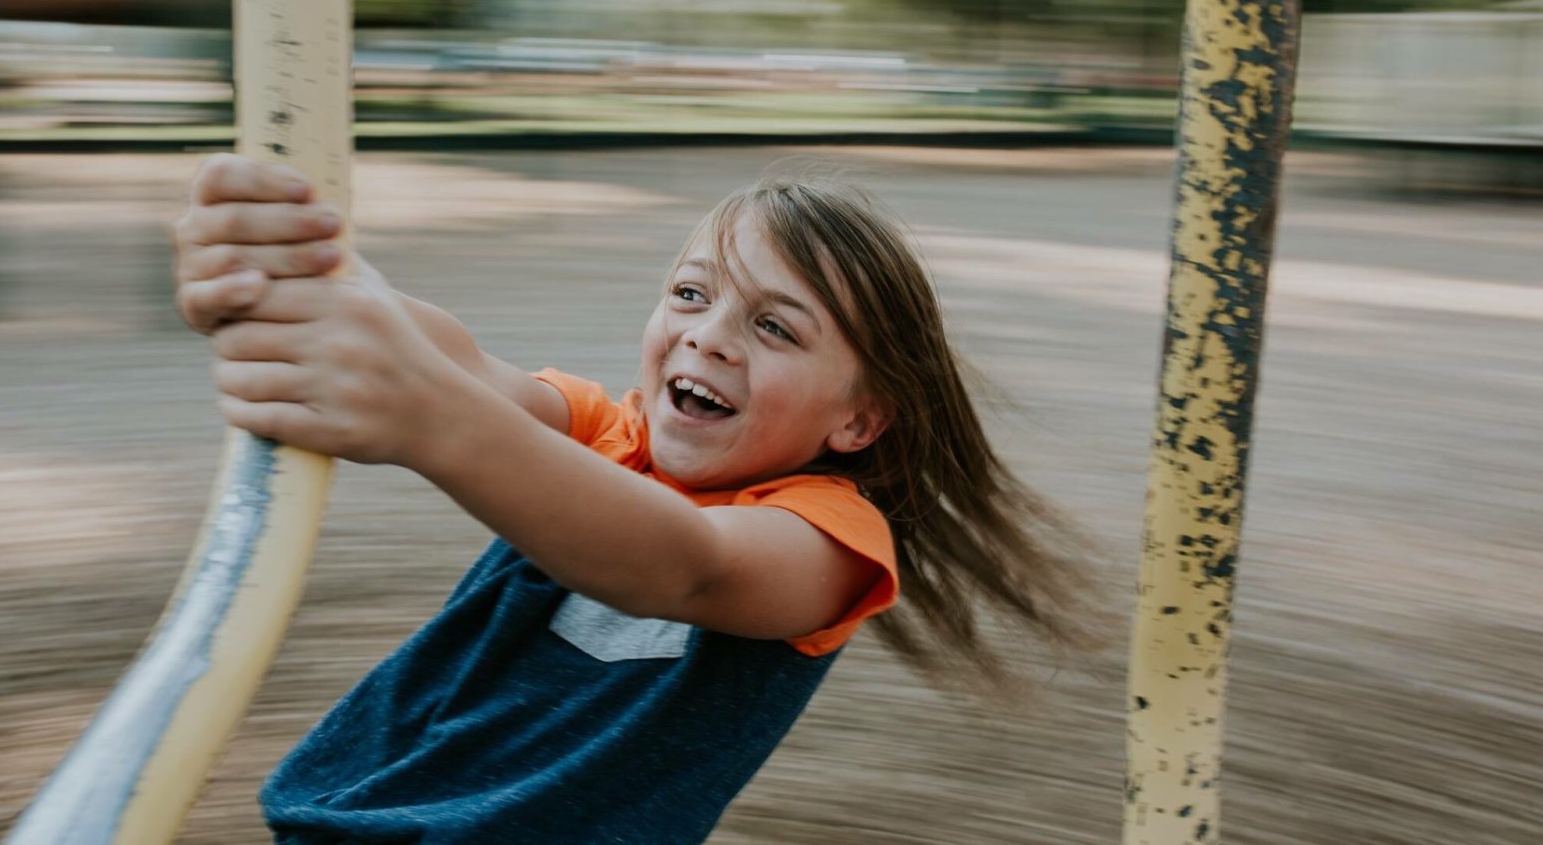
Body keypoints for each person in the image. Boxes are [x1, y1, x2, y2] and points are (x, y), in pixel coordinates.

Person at [171, 153, 1101, 844]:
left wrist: (435, 424)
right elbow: (452, 360)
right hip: (355, 816)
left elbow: (683, 568)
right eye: (691, 294)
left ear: (859, 421)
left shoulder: (826, 543)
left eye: (774, 326)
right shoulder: (607, 435)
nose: (709, 338)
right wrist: (291, 272)